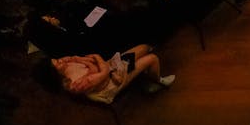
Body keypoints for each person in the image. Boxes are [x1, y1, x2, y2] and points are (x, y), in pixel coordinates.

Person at [39, 44, 174, 103]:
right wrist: (98, 64)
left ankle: (145, 74)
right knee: (152, 58)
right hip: (111, 84)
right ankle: (156, 81)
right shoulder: (76, 85)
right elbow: (102, 74)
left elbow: (93, 59)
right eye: (57, 63)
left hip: (109, 69)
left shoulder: (68, 64)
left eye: (57, 59)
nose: (61, 60)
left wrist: (95, 64)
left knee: (143, 47)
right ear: (54, 75)